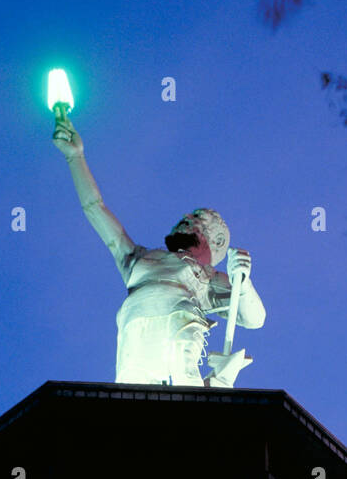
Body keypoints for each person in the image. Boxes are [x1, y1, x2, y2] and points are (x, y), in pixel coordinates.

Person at [52, 114, 266, 386]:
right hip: (134, 327)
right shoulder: (137, 257)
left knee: (186, 394)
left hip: (182, 323)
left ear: (214, 241)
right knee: (130, 402)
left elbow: (255, 318)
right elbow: (95, 208)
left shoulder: (210, 277)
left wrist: (243, 282)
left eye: (195, 220)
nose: (184, 218)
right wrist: (76, 157)